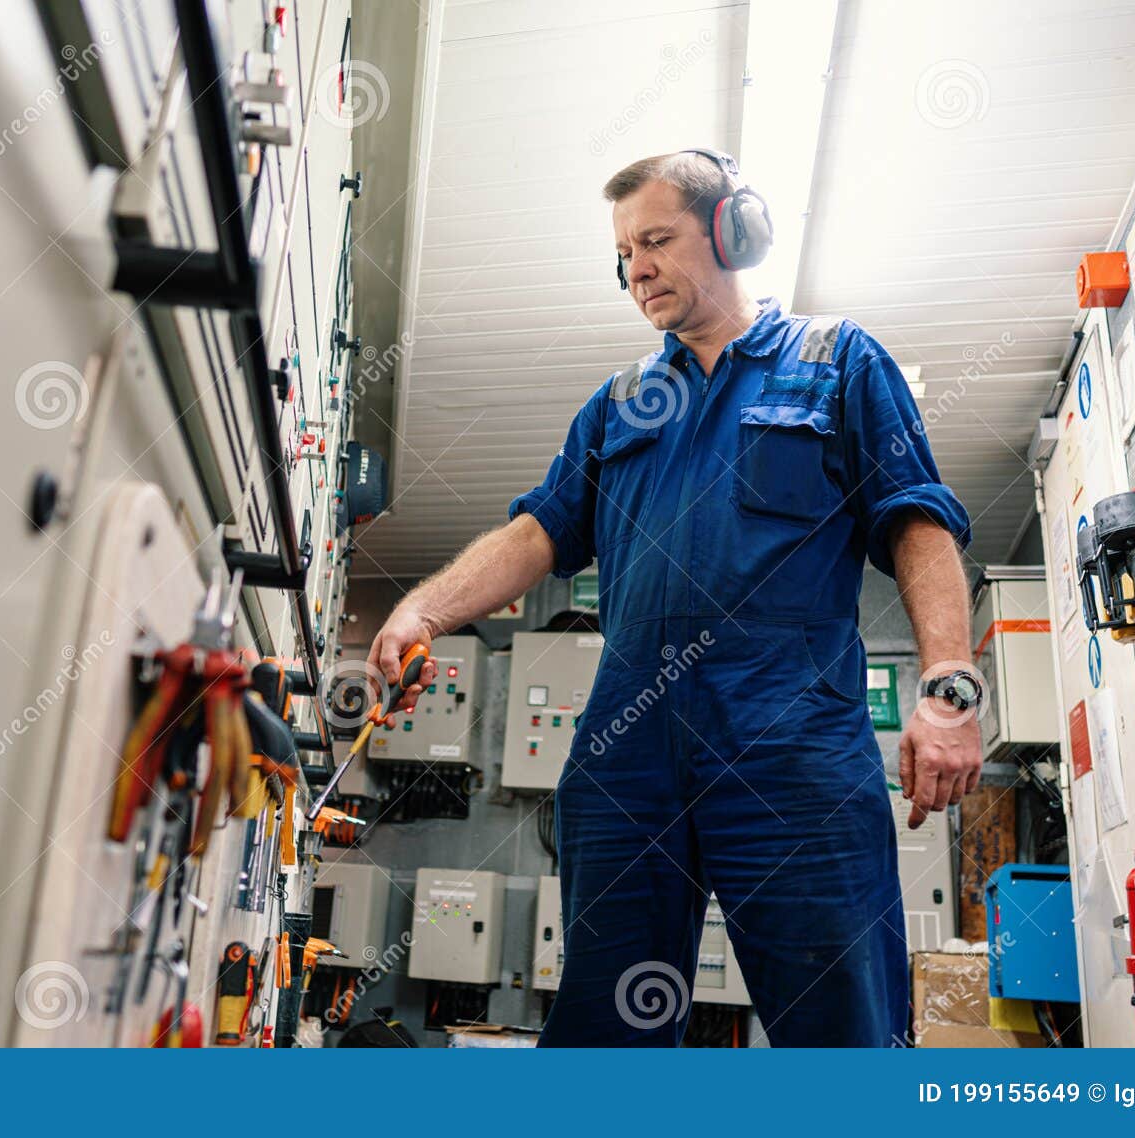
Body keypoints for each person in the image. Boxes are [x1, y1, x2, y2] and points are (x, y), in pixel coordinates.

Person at [368, 150, 981, 1046]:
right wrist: (424, 609)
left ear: (734, 231)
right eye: (623, 254)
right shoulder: (619, 405)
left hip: (792, 749)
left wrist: (950, 688)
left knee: (843, 1029)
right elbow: (538, 532)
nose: (636, 268)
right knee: (604, 1032)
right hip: (630, 753)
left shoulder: (837, 360)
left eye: (655, 239)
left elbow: (917, 522)